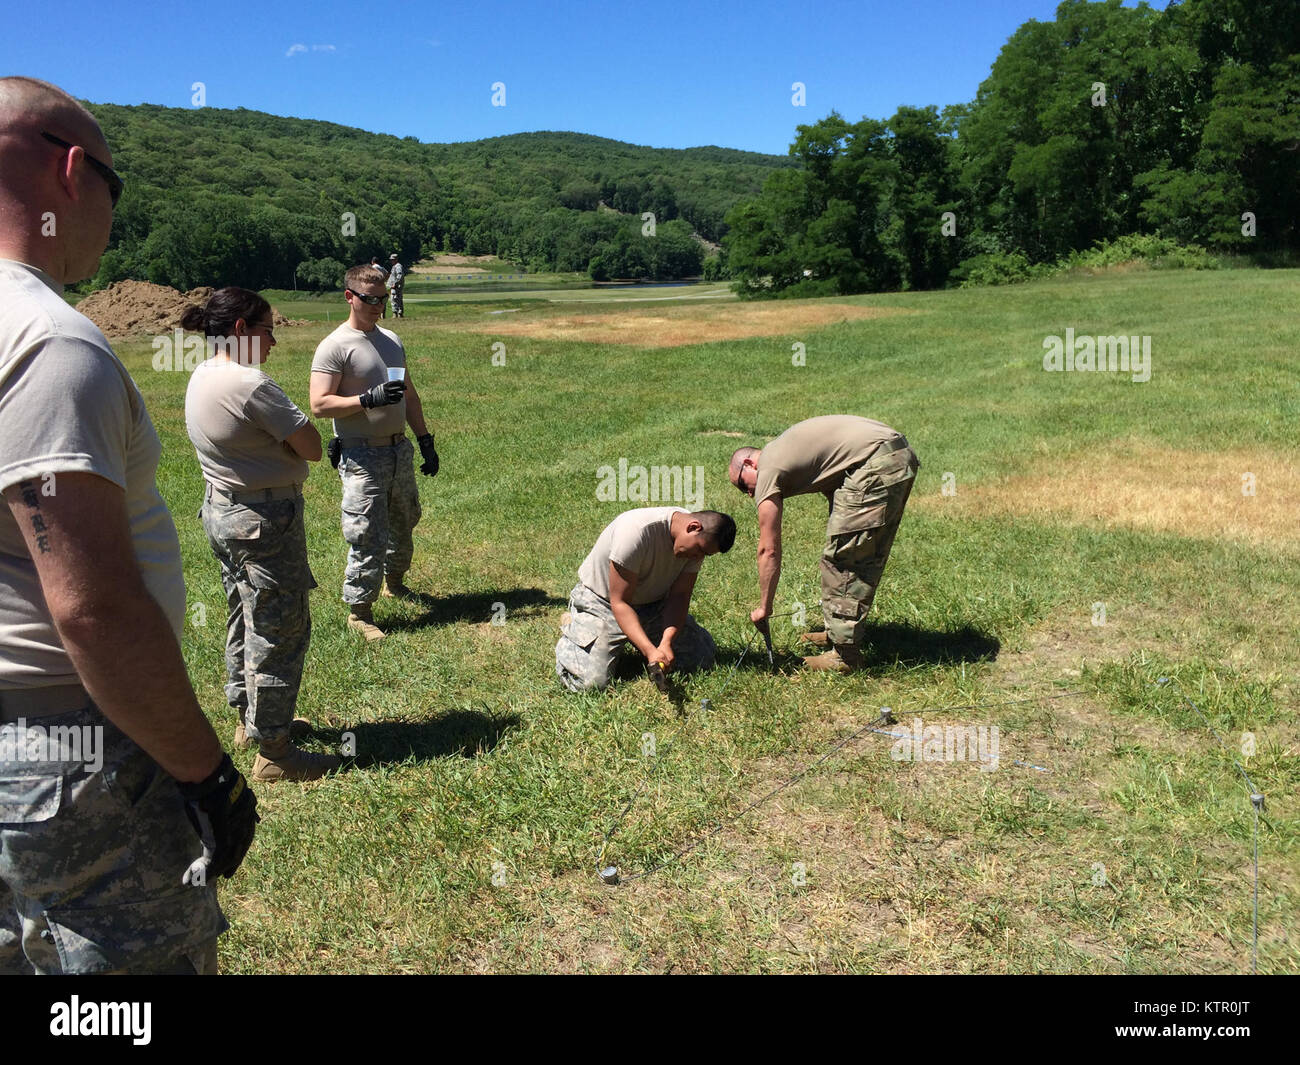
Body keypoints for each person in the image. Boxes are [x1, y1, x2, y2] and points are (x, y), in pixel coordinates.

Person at [0, 77, 256, 974]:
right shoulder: (50, 343)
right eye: (117, 184)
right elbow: (94, 608)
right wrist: (203, 770)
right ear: (73, 172)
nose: (114, 208)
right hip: (68, 745)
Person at [183, 287, 341, 782]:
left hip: (224, 513)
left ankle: (248, 717)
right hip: (263, 522)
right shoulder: (249, 384)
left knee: (243, 613)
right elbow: (313, 445)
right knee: (279, 628)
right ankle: (274, 750)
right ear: (240, 330)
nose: (273, 340)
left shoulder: (203, 373)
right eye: (267, 329)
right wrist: (287, 452)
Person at [729, 415, 920, 673]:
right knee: (853, 552)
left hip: (877, 463)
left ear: (750, 463)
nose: (750, 494)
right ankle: (837, 632)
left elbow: (768, 549)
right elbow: (834, 477)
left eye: (743, 486)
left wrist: (765, 607)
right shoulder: (785, 451)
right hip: (893, 455)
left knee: (843, 561)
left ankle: (845, 656)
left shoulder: (768, 468)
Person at [309, 265, 439, 641]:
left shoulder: (391, 339)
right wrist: (366, 399)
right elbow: (319, 404)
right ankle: (359, 612)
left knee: (406, 519)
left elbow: (409, 394)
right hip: (361, 455)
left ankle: (394, 582)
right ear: (349, 296)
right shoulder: (335, 345)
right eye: (370, 299)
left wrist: (425, 440)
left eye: (383, 298)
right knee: (366, 531)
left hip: (398, 450)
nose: (378, 305)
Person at [556, 508, 735, 692]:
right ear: (693, 527)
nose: (698, 558)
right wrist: (650, 650)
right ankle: (576, 626)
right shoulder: (635, 532)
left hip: (651, 603)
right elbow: (620, 602)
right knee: (590, 684)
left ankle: (634, 640)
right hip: (604, 603)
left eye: (706, 555)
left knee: (702, 657)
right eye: (699, 550)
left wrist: (666, 642)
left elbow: (679, 597)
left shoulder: (697, 542)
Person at [387, 253, 404, 318]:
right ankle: (399, 313)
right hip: (394, 286)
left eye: (392, 259)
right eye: (391, 259)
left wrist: (395, 283)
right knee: (397, 299)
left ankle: (396, 314)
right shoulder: (395, 266)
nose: (391, 261)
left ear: (396, 259)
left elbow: (399, 275)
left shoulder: (398, 266)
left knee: (394, 299)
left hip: (396, 286)